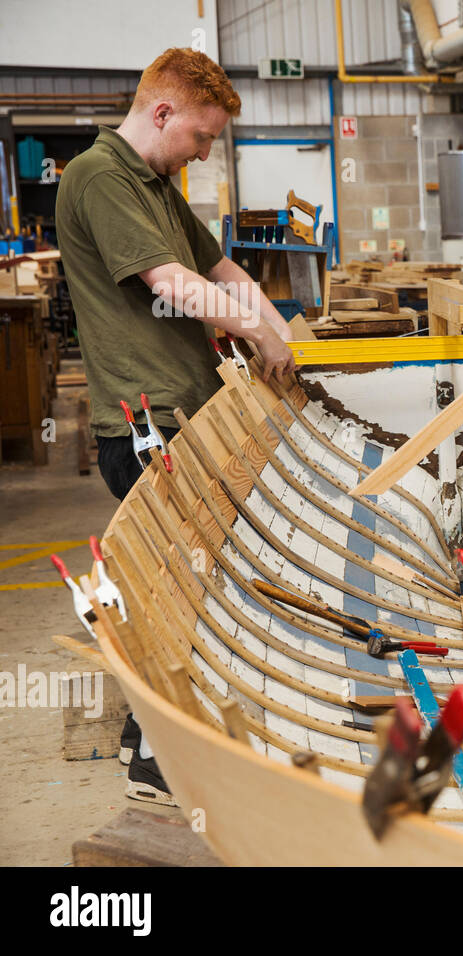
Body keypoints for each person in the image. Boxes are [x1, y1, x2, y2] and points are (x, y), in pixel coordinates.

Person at [56, 47, 296, 806]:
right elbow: (172, 284)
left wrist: (275, 322)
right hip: (142, 425)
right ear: (161, 114)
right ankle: (159, 769)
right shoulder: (101, 176)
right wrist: (259, 337)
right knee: (183, 596)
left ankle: (140, 735)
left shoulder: (154, 181)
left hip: (182, 413)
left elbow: (219, 271)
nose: (203, 152)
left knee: (187, 588)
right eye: (200, 136)